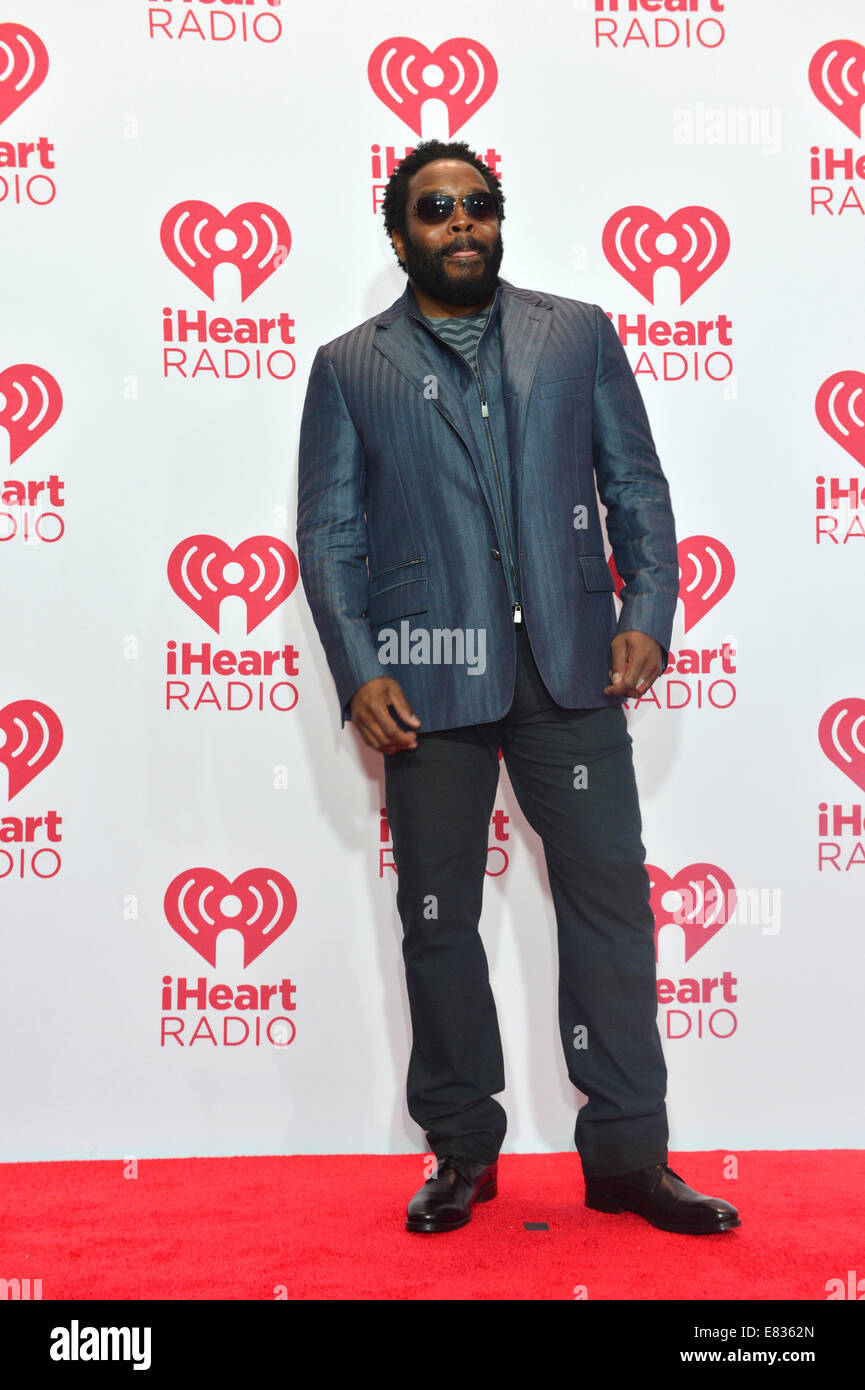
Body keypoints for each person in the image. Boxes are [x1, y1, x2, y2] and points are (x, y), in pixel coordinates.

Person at [296, 139, 740, 1237]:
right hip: (427, 675)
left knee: (609, 906)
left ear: (500, 220)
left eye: (479, 206)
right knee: (436, 918)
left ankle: (630, 1156)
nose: (462, 224)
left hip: (570, 668)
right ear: (397, 235)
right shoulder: (352, 364)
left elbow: (635, 485)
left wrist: (644, 614)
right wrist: (359, 672)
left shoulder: (577, 332)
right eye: (436, 210)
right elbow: (330, 532)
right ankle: (460, 1150)